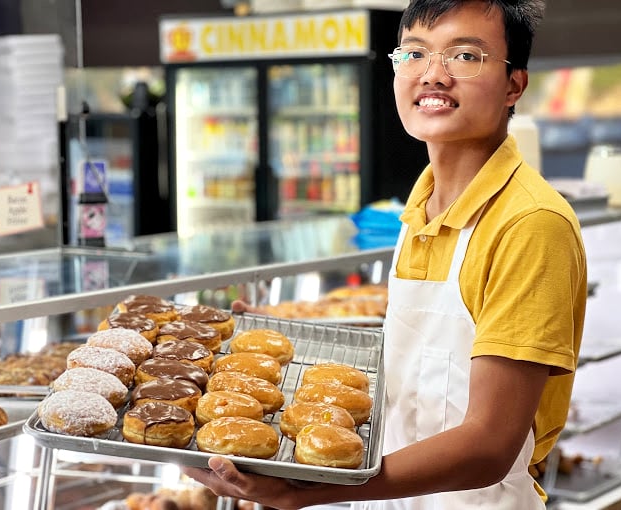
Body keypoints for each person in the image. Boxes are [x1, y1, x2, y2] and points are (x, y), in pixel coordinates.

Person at [183, 1, 588, 508]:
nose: (433, 75)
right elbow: (419, 365)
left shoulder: (530, 224)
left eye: (465, 56)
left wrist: (313, 490)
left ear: (514, 85)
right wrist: (277, 336)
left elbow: (490, 445)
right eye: (415, 53)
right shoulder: (421, 205)